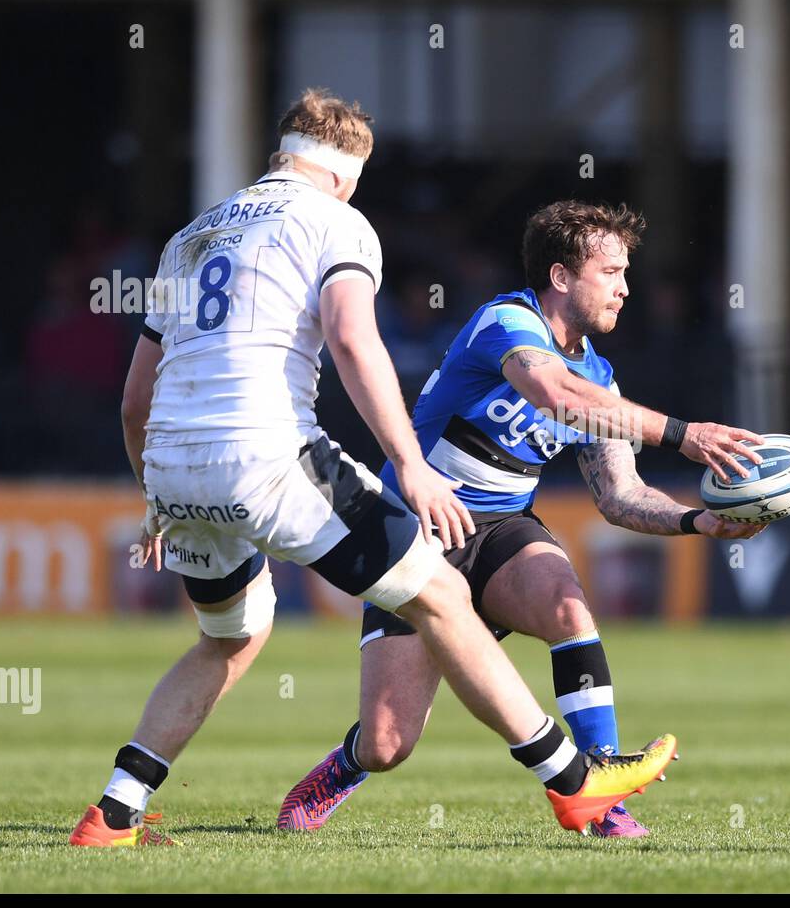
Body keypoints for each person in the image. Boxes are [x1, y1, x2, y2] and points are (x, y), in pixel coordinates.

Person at [69, 92, 677, 846]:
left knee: (229, 635)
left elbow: (136, 400)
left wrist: (152, 497)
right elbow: (355, 341)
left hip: (172, 467)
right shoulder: (338, 222)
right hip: (269, 453)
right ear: (346, 175)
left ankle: (114, 812)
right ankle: (576, 784)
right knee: (447, 594)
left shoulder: (188, 237)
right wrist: (408, 463)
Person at [278, 200, 764, 838]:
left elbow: (619, 495)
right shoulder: (505, 321)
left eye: (626, 272)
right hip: (418, 529)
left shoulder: (601, 379)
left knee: (568, 605)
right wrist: (683, 433)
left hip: (505, 529)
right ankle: (342, 768)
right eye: (611, 272)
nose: (625, 287)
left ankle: (602, 796)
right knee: (387, 743)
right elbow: (553, 394)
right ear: (561, 277)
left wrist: (698, 523)